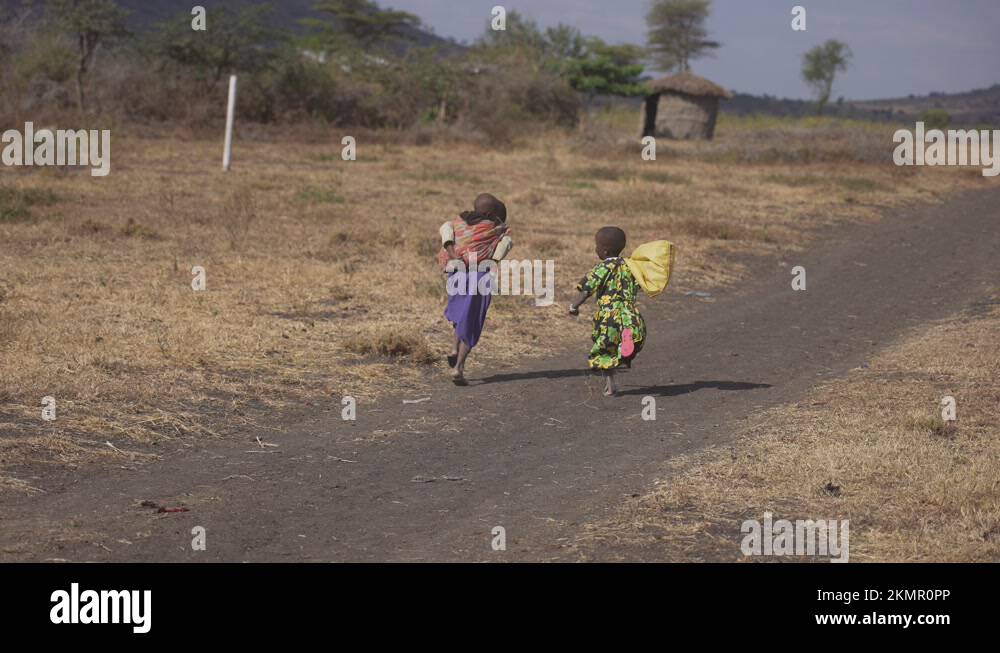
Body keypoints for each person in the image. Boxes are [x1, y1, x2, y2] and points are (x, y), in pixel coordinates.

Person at [569, 227, 675, 396]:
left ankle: (611, 386)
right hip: (630, 314)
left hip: (609, 317)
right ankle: (627, 342)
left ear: (604, 250)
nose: (595, 249)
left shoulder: (601, 268)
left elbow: (587, 290)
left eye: (597, 246)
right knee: (629, 343)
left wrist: (574, 306)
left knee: (605, 350)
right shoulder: (631, 266)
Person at [437, 193, 512, 385]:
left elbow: (445, 228)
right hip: (480, 276)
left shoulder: (459, 222)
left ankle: (454, 349)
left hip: (457, 273)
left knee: (461, 313)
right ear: (490, 213)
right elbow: (505, 244)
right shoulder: (495, 229)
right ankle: (459, 368)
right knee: (472, 320)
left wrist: (453, 253)